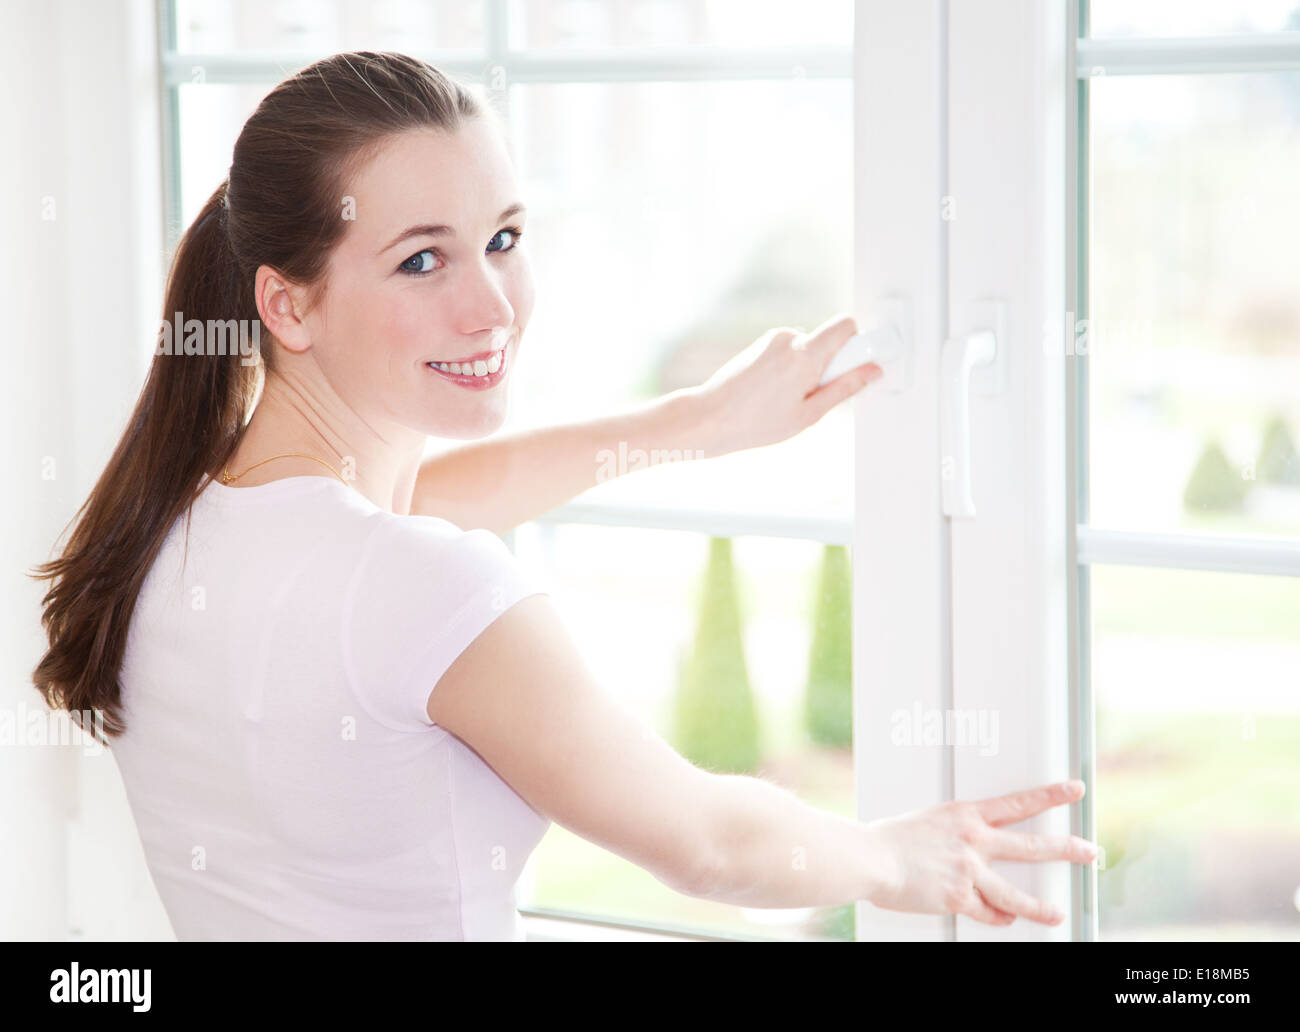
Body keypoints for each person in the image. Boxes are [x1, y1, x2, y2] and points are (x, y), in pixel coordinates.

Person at [31, 51, 1096, 941]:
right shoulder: (414, 582)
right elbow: (707, 841)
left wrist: (694, 425)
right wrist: (895, 859)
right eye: (420, 263)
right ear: (288, 303)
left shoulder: (176, 525)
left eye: (501, 239)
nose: (490, 304)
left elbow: (428, 505)